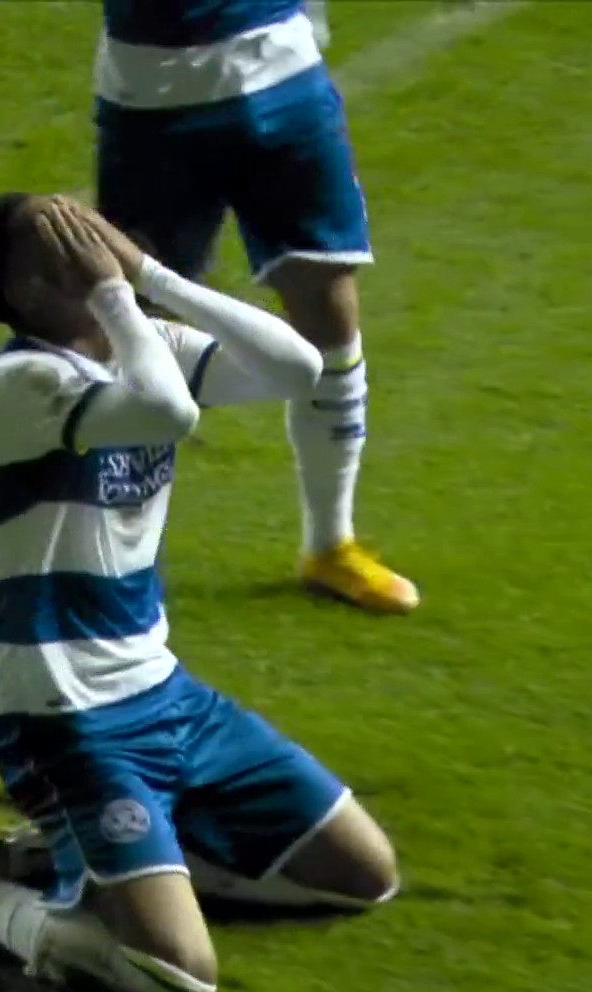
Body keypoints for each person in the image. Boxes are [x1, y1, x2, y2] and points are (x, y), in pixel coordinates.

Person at [0, 193, 399, 992]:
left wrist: (149, 277)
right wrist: (119, 292)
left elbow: (299, 365)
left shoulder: (138, 348)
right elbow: (166, 412)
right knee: (171, 977)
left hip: (165, 691)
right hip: (64, 709)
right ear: (38, 291)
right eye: (79, 248)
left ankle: (76, 859)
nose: (104, 248)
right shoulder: (22, 380)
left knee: (362, 877)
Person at [91, 0, 419, 614]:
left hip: (284, 77)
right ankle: (105, 540)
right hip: (152, 97)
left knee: (324, 298)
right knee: (135, 327)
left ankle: (330, 545)